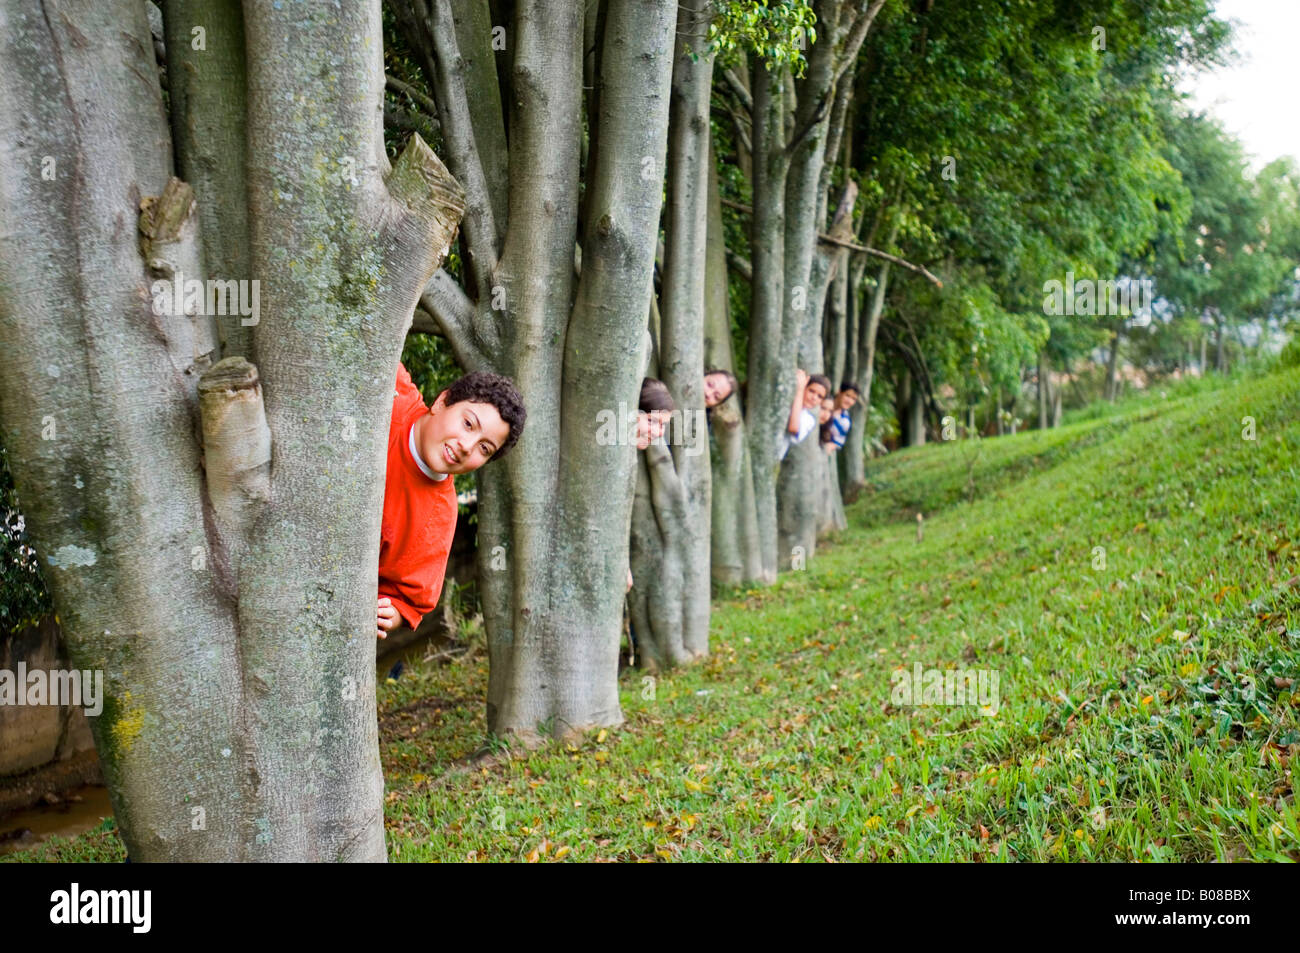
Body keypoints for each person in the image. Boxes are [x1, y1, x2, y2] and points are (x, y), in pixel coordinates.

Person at [376, 362, 526, 639]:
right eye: (468, 424)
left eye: (484, 448)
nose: (467, 446)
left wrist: (392, 613)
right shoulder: (390, 387)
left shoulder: (438, 518)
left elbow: (407, 602)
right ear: (442, 402)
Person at [778, 369, 829, 461]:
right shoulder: (784, 400)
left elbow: (793, 428)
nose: (814, 398)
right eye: (811, 391)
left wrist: (800, 391)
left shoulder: (808, 419)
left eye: (819, 396)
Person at [824, 381, 860, 452]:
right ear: (839, 392)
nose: (849, 401)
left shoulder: (845, 421)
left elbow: (837, 442)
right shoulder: (823, 401)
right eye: (847, 395)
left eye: (853, 399)